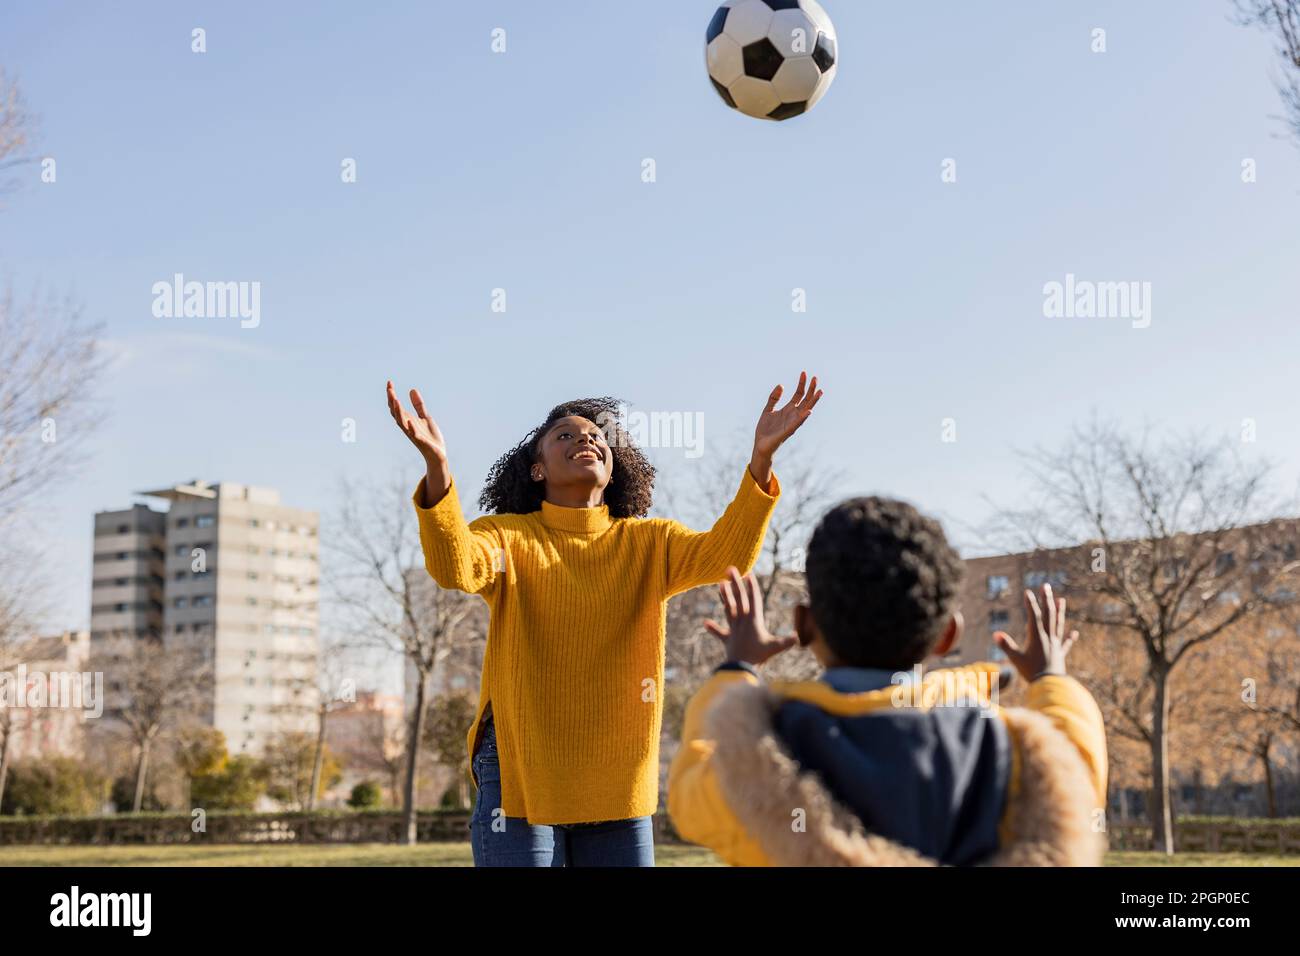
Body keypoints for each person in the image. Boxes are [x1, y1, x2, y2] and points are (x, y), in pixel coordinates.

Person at [385, 373, 822, 866]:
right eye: (565, 436)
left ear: (614, 466)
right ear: (536, 470)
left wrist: (761, 461)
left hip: (618, 778)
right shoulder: (508, 537)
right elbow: (453, 566)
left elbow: (729, 555)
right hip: (520, 766)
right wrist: (438, 466)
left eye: (596, 435)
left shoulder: (649, 543)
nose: (586, 439)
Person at [667, 496, 1108, 866]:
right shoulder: (1000, 747)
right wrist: (1052, 678)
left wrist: (736, 671)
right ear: (947, 636)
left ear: (802, 626)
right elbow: (1074, 773)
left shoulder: (765, 755)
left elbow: (690, 796)